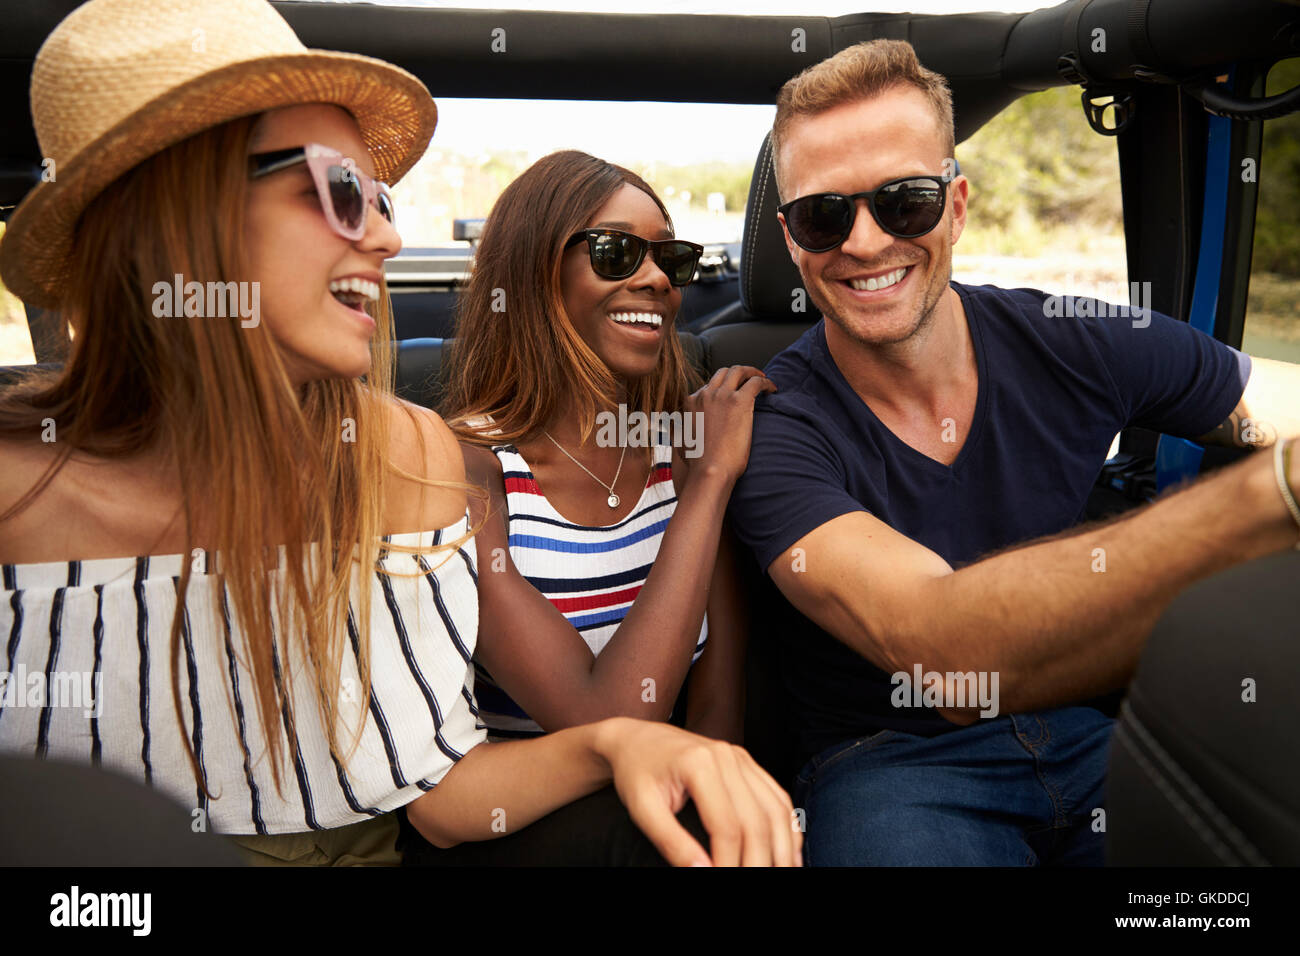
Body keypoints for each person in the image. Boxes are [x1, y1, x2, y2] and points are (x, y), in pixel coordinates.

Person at [0, 0, 799, 868]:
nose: (388, 235)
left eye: (379, 198)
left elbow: (442, 794)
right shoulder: (18, 493)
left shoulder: (400, 456)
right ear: (177, 214)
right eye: (341, 193)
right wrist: (616, 735)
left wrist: (628, 747)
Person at [727, 38, 1300, 866]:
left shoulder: (1070, 336)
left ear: (957, 207)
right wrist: (1262, 501)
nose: (862, 241)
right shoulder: (778, 424)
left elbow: (1262, 404)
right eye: (824, 214)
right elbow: (940, 647)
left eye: (906, 201)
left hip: (1089, 734)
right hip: (892, 766)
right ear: (791, 239)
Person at [439, 151, 770, 746]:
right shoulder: (468, 470)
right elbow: (603, 722)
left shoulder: (684, 448)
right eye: (614, 252)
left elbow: (720, 701)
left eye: (672, 258)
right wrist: (711, 484)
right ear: (535, 272)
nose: (657, 280)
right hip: (531, 824)